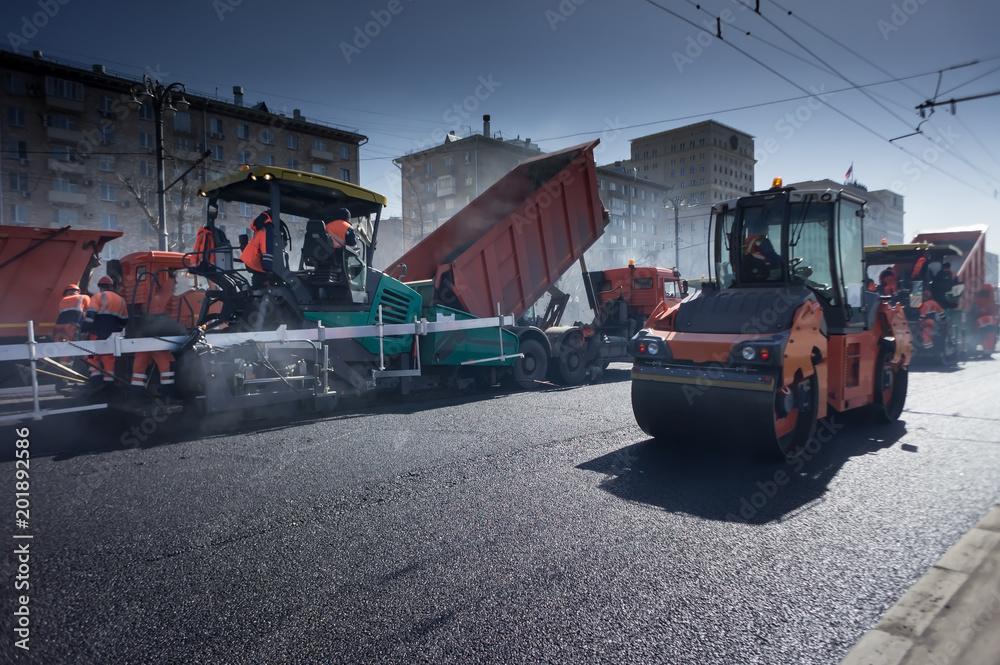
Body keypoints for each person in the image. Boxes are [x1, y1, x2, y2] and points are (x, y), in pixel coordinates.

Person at [130, 271, 178, 401]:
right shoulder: (160, 300)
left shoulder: (148, 301)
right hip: (154, 338)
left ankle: (135, 397)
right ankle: (167, 396)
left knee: (140, 366)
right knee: (168, 364)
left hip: (142, 337)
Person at [81, 276, 128, 389]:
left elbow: (90, 316)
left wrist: (84, 329)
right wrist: (117, 330)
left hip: (96, 332)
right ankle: (109, 385)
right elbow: (124, 319)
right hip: (112, 334)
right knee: (108, 358)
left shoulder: (98, 297)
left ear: (100, 287)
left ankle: (96, 381)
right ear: (112, 286)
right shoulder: (121, 300)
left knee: (91, 356)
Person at [241, 211, 275, 288]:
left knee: (259, 280)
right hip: (255, 261)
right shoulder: (267, 226)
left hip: (250, 258)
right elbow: (266, 245)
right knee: (263, 280)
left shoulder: (260, 225)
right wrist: (268, 266)